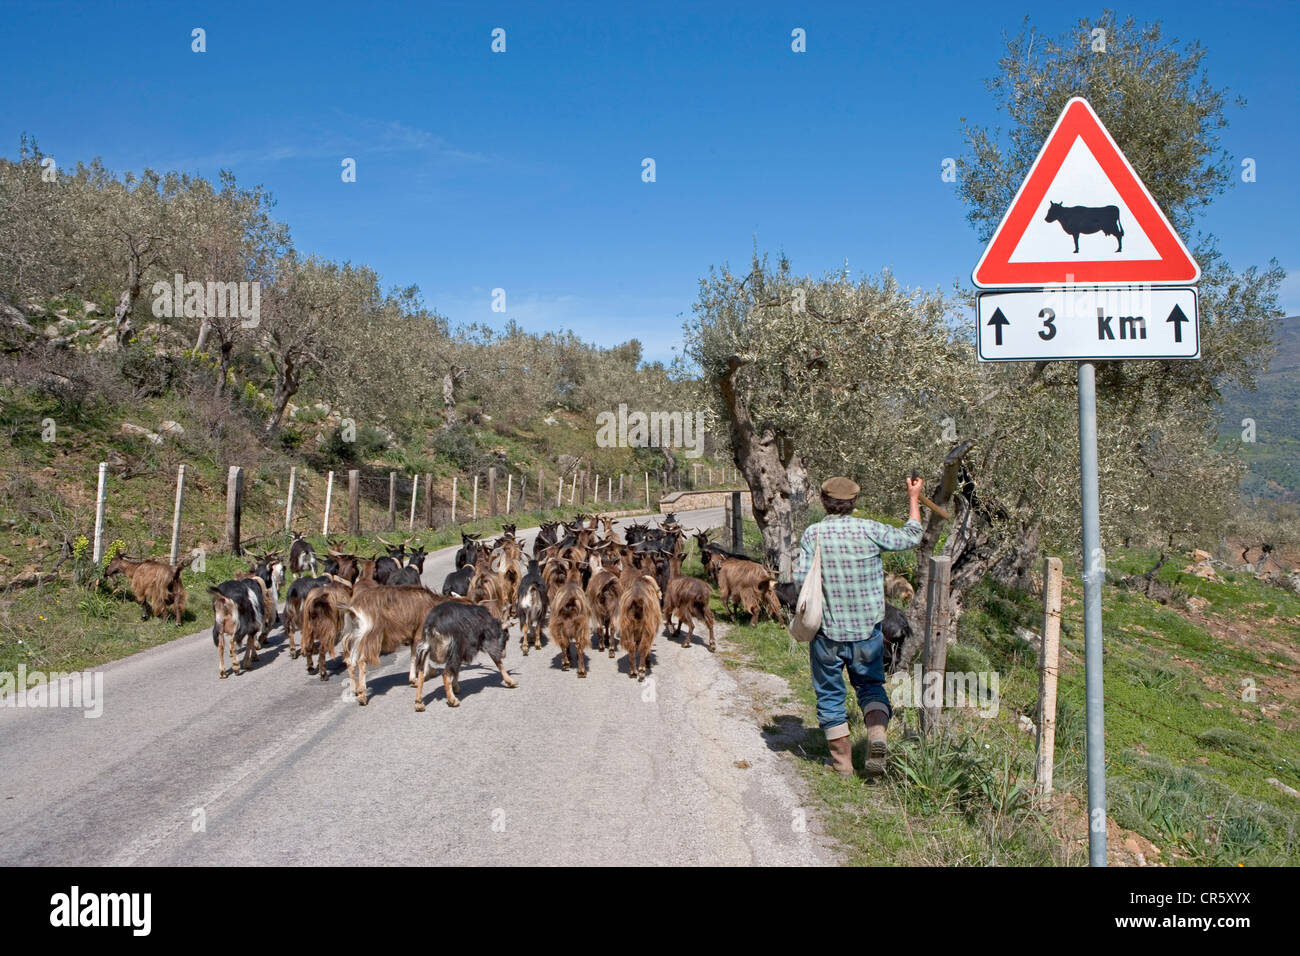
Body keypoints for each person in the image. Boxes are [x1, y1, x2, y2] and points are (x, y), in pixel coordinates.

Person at [792, 475, 924, 777]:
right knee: (870, 686)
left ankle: (842, 764)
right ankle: (877, 735)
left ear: (824, 501)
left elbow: (801, 580)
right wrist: (913, 497)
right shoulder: (869, 529)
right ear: (854, 502)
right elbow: (911, 536)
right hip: (867, 632)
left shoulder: (814, 534)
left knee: (829, 694)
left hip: (827, 633)